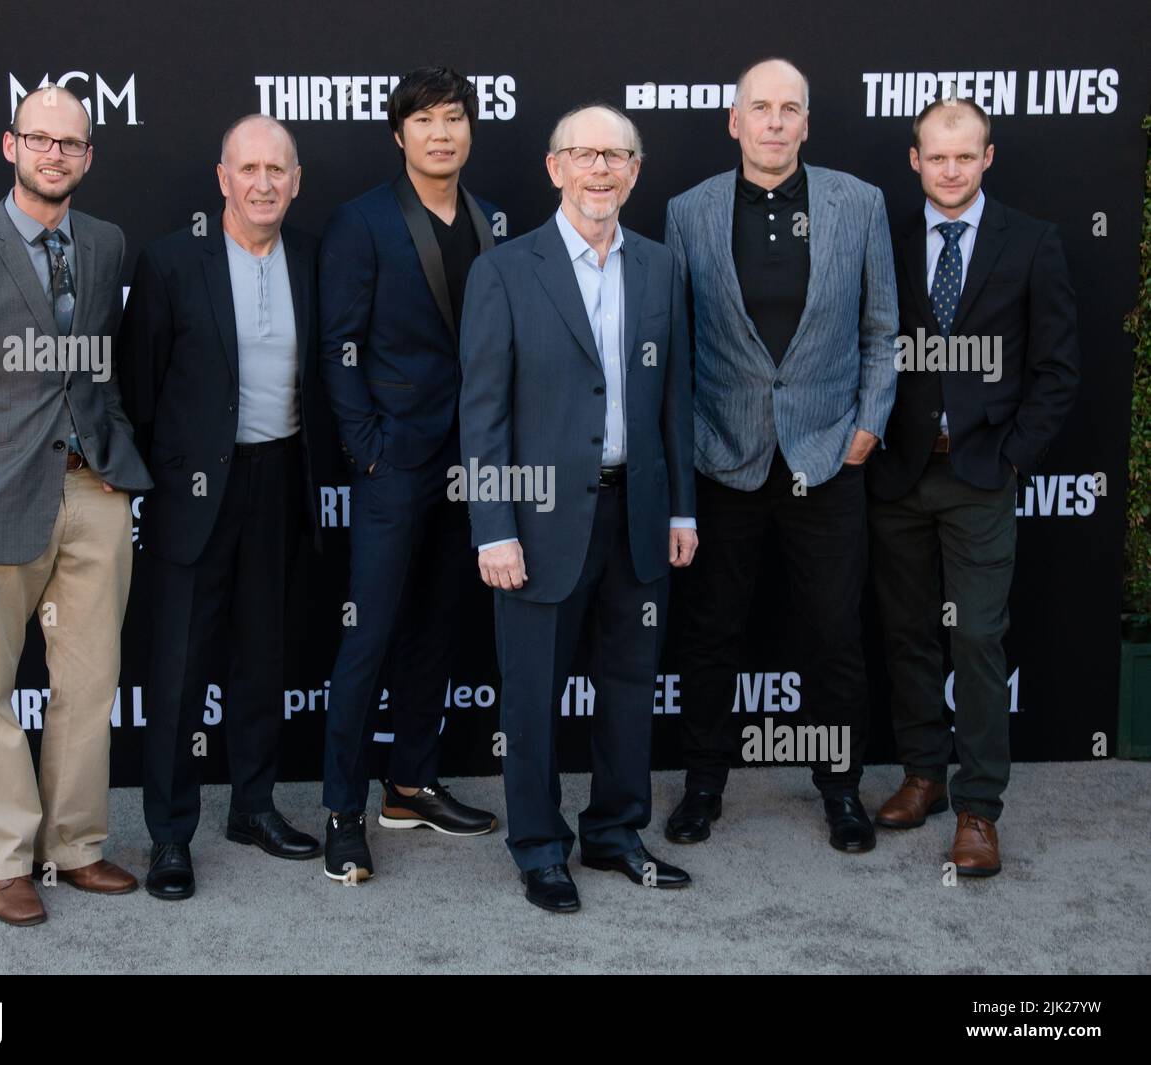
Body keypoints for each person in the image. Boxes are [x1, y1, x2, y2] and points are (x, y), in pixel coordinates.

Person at [0, 84, 151, 925]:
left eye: (71, 143)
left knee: (90, 682)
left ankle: (75, 846)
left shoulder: (108, 244)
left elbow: (103, 367)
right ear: (11, 146)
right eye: (39, 139)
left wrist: (115, 452)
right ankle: (6, 858)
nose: (55, 154)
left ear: (89, 155)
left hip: (94, 495)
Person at [460, 104, 697, 914]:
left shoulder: (663, 268)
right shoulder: (503, 271)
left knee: (631, 685)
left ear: (636, 171)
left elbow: (675, 403)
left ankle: (615, 830)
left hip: (637, 512)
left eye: (617, 156)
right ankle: (537, 846)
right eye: (584, 155)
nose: (601, 170)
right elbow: (482, 412)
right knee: (533, 692)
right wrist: (493, 524)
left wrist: (682, 512)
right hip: (536, 522)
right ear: (554, 168)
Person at [664, 58, 898, 853]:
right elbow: (676, 340)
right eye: (758, 108)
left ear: (805, 122)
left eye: (787, 109)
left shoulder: (857, 204)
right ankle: (702, 785)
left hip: (826, 456)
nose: (772, 122)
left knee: (834, 633)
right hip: (722, 456)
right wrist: (689, 439)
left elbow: (880, 327)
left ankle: (840, 789)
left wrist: (869, 422)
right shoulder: (687, 211)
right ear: (733, 121)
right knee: (709, 633)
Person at [867, 97, 1080, 876]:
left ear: (987, 158)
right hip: (897, 472)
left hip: (982, 474)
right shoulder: (885, 240)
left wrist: (1012, 454)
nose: (951, 170)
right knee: (905, 631)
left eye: (967, 156)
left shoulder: (1032, 242)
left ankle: (979, 808)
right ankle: (923, 773)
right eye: (937, 156)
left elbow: (1057, 371)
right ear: (915, 159)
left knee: (979, 638)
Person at [119, 115, 329, 900]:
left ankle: (253, 806)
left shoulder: (313, 258)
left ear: (296, 180)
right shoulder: (173, 262)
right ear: (223, 179)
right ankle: (171, 835)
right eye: (248, 168)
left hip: (280, 482)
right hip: (192, 493)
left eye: (278, 169)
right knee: (177, 669)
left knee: (264, 658)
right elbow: (138, 393)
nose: (264, 182)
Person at [318, 66, 501, 884]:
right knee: (370, 639)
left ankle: (411, 785)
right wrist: (368, 450)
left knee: (435, 630)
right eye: (424, 120)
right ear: (399, 135)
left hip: (471, 464)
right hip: (394, 461)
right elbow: (339, 346)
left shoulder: (492, 219)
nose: (440, 133)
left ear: (469, 130)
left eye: (454, 118)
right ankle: (340, 813)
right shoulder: (361, 222)